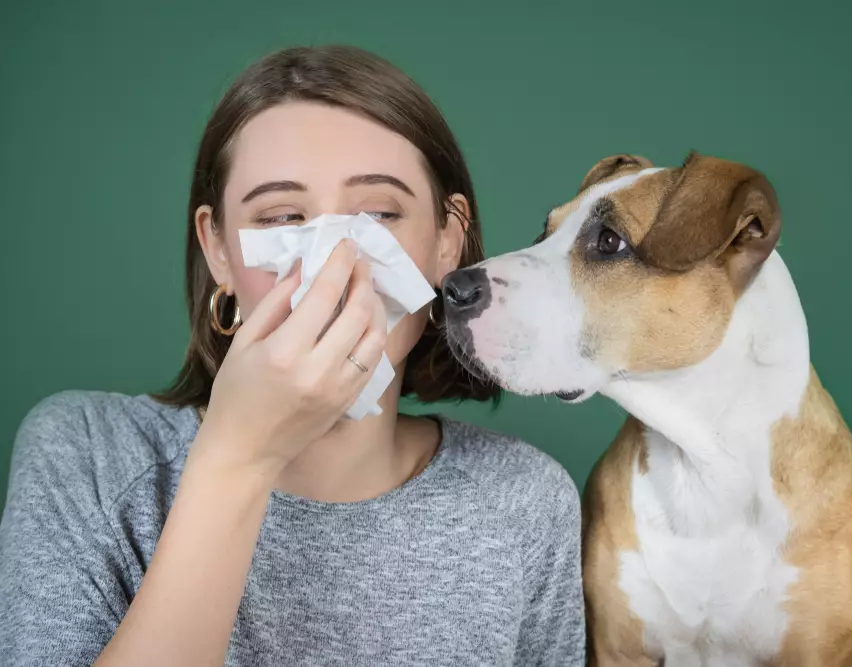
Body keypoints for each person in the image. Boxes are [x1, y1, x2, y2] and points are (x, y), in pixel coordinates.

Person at [0, 45, 584, 666]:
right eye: (282, 218)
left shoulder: (523, 499)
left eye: (379, 213)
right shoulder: (85, 454)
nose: (334, 262)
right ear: (220, 249)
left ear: (448, 238)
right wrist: (239, 455)